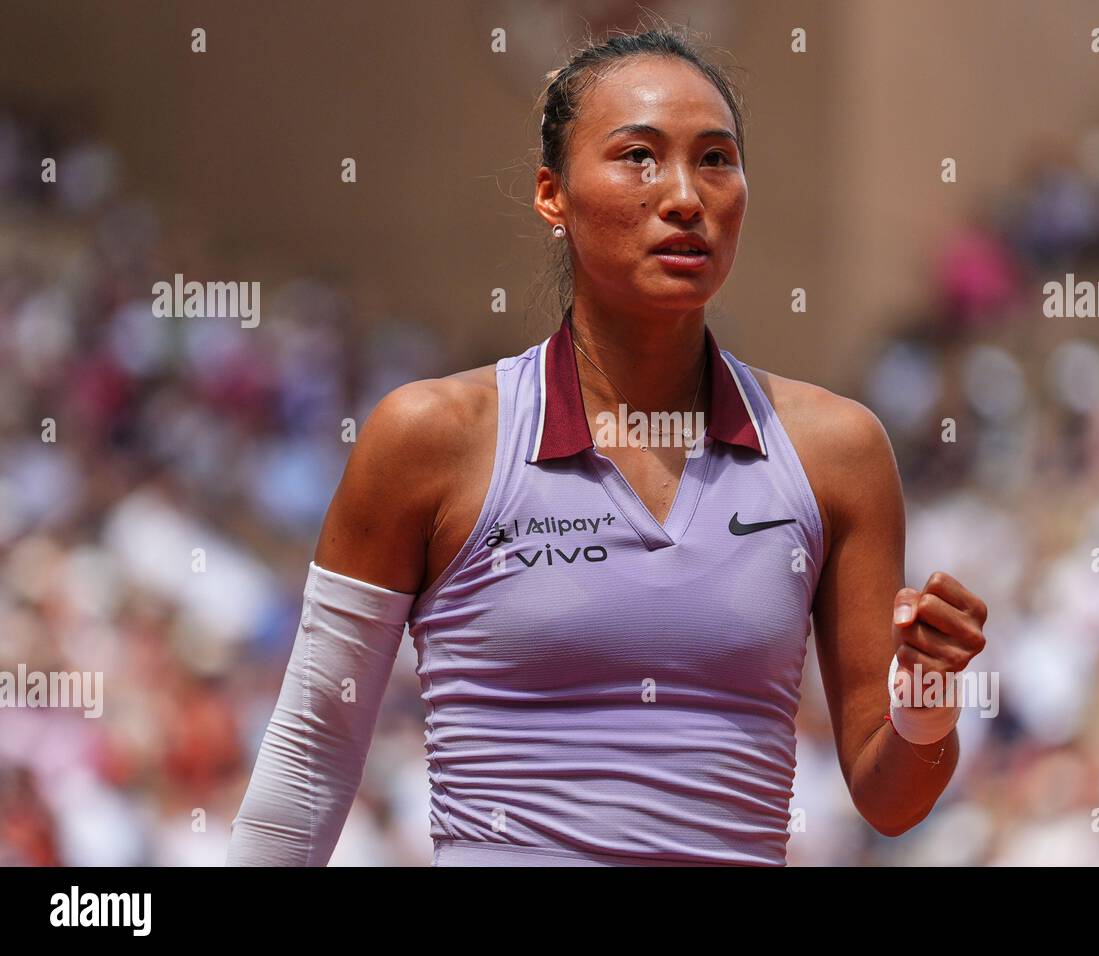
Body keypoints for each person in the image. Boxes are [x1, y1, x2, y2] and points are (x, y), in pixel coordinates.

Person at [226, 26, 988, 867]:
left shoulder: (838, 452)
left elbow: (890, 799)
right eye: (638, 156)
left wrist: (927, 696)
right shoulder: (431, 438)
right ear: (552, 195)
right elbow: (308, 758)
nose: (685, 195)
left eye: (716, 160)